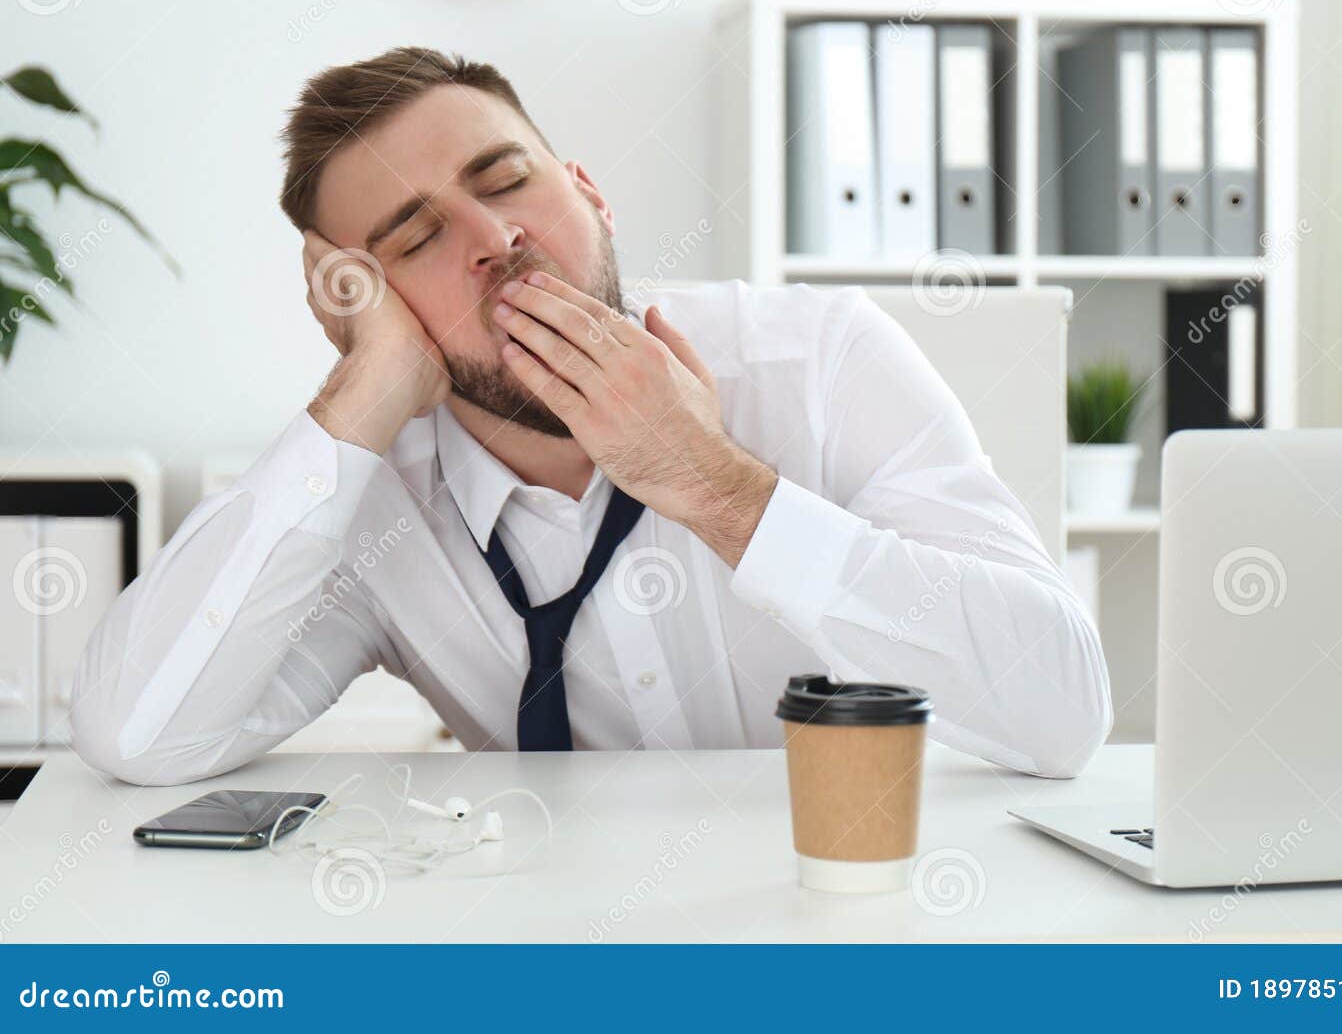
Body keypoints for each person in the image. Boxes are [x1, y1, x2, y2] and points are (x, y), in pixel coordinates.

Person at [69, 46, 1111, 787]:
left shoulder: (822, 356)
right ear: (367, 307)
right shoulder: (374, 498)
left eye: (506, 179)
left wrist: (713, 484)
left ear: (590, 195)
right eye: (415, 236)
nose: (491, 237)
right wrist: (360, 392)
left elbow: (1060, 713)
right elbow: (138, 732)